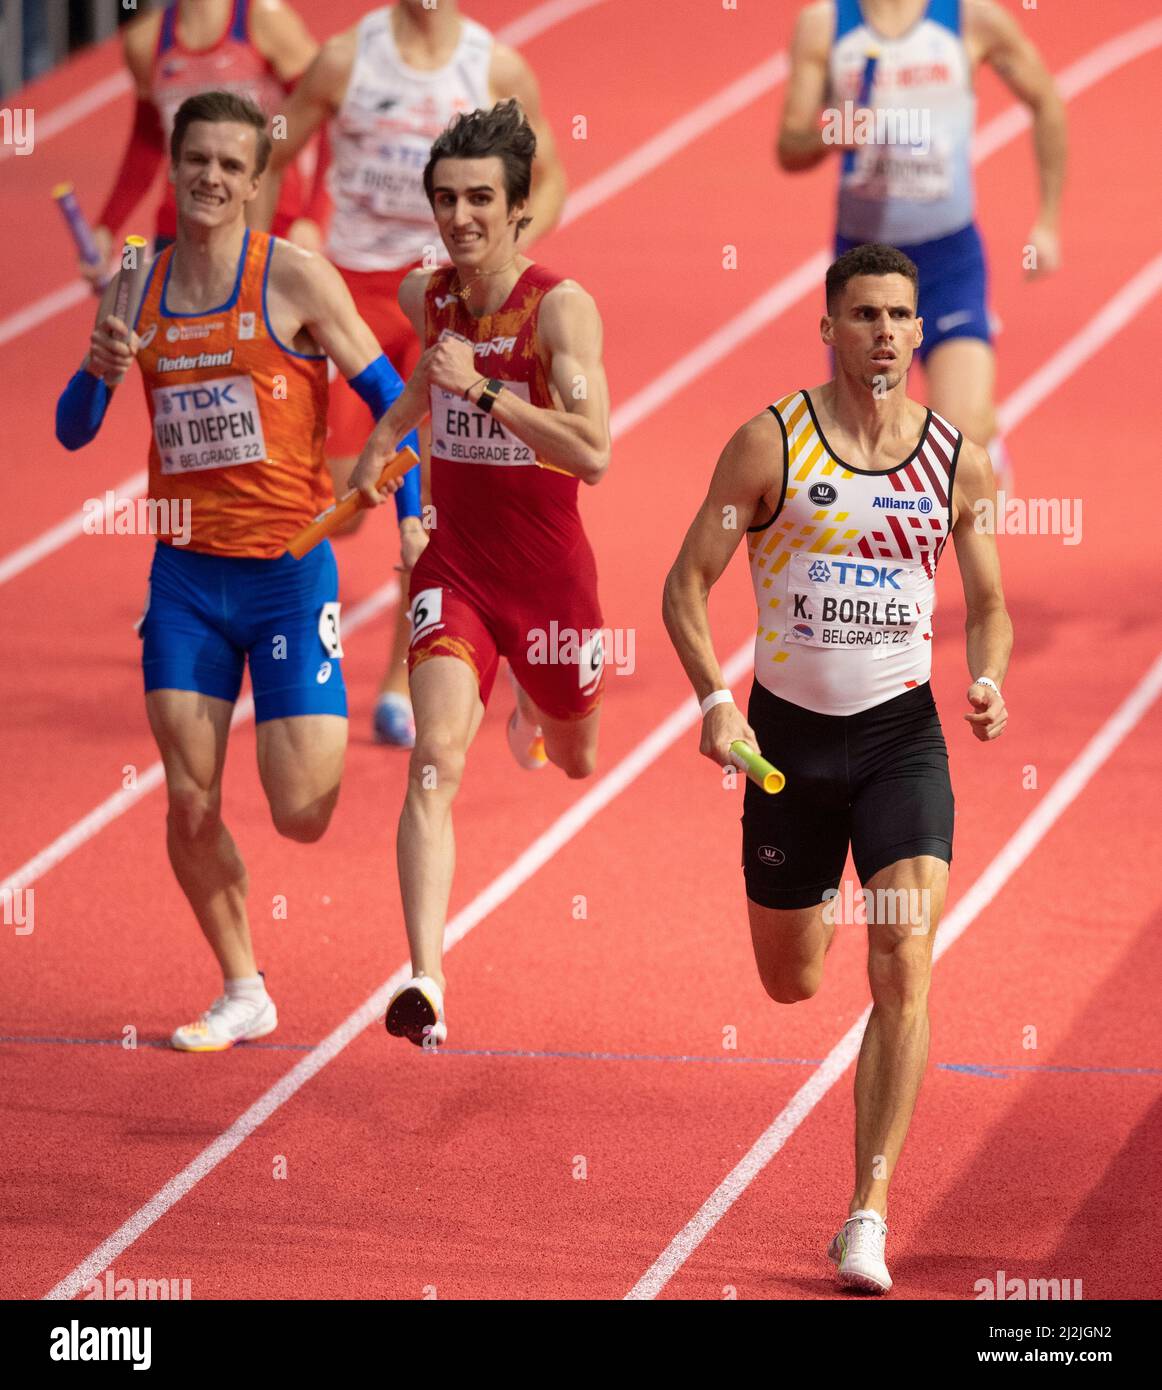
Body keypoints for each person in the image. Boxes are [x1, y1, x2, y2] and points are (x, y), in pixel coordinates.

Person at [662, 243, 1012, 1293]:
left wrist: (987, 675)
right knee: (791, 978)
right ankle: (804, 899)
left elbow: (989, 599)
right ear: (827, 326)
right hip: (786, 752)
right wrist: (716, 703)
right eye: (862, 314)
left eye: (900, 316)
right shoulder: (769, 444)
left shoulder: (956, 457)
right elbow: (685, 582)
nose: (883, 334)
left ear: (918, 331)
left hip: (901, 742)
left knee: (902, 960)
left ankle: (866, 1210)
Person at [56, 91, 419, 1051]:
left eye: (230, 164)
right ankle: (242, 983)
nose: (210, 177)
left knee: (300, 813)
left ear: (258, 182)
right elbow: (72, 430)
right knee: (187, 797)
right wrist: (97, 368)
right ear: (175, 174)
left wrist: (412, 521)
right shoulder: (135, 279)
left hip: (288, 574)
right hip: (184, 578)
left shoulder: (297, 279)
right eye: (196, 162)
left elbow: (391, 401)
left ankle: (293, 766)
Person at [348, 101, 610, 1048]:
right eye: (446, 198)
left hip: (549, 589)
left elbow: (592, 452)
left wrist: (489, 391)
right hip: (453, 566)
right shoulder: (432, 297)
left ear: (518, 207)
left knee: (578, 757)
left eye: (479, 200)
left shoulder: (560, 308)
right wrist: (380, 453)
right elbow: (422, 389)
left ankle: (536, 713)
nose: (461, 216)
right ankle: (427, 979)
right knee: (433, 764)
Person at [253, 0, 568, 748]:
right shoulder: (343, 59)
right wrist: (269, 253)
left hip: (447, 297)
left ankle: (402, 673)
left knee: (431, 492)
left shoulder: (496, 68)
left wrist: (497, 258)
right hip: (353, 294)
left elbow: (551, 179)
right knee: (348, 494)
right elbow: (271, 148)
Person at [777, 0, 1067, 483]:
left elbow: (1046, 100)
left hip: (948, 257)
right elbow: (790, 145)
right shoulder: (824, 26)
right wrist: (832, 134)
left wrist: (1048, 222)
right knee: (869, 444)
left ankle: (984, 454)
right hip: (863, 269)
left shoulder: (971, 19)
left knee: (965, 430)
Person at [78, 0, 322, 275]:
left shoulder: (267, 22)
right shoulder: (145, 42)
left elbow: (327, 114)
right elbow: (148, 142)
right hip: (183, 227)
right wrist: (107, 227)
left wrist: (313, 218)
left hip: (270, 222)